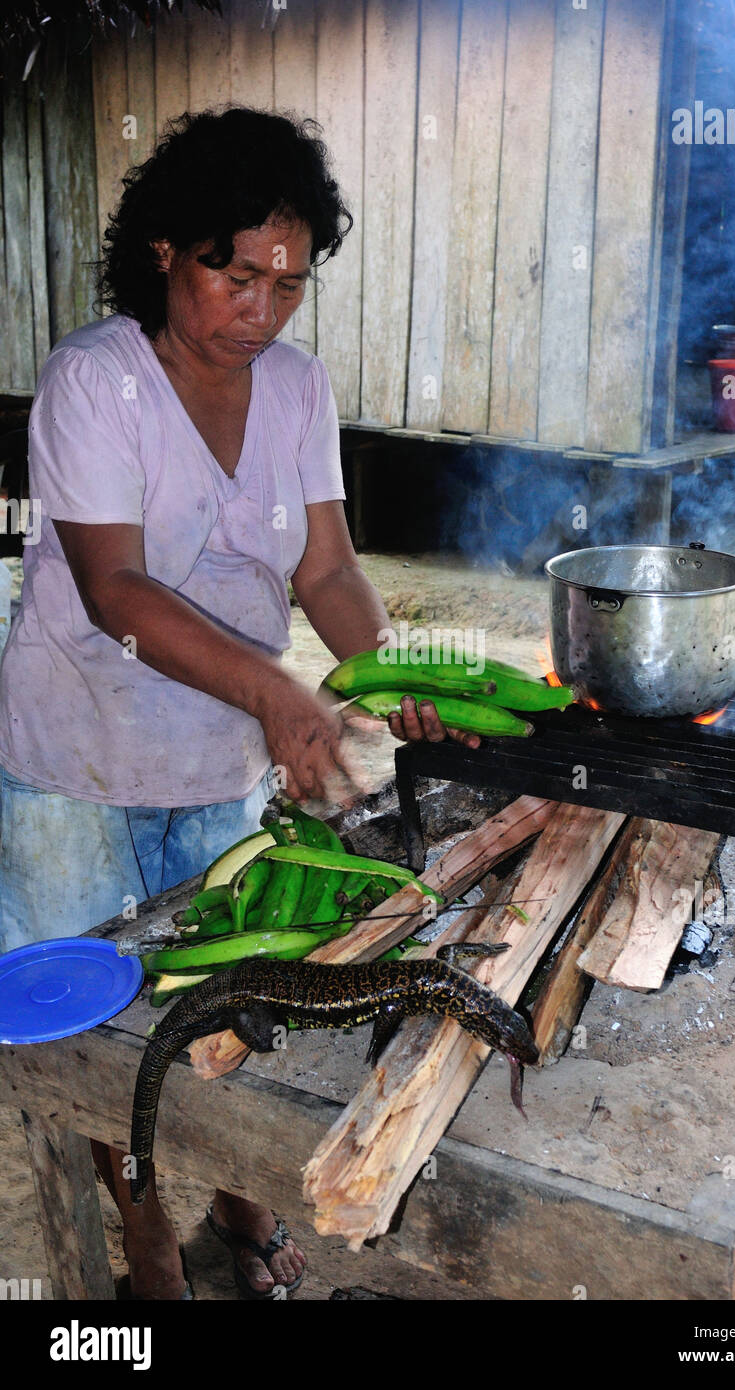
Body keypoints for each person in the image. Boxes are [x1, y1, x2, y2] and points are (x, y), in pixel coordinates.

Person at [0, 106, 478, 1300]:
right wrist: (277, 691)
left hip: (221, 765)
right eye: (233, 271)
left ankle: (245, 1218)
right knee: (100, 1041)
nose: (258, 309)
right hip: (79, 765)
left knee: (239, 1008)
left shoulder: (298, 393)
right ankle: (149, 1243)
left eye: (288, 283)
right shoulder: (93, 384)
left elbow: (326, 570)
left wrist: (386, 673)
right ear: (166, 249)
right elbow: (114, 588)